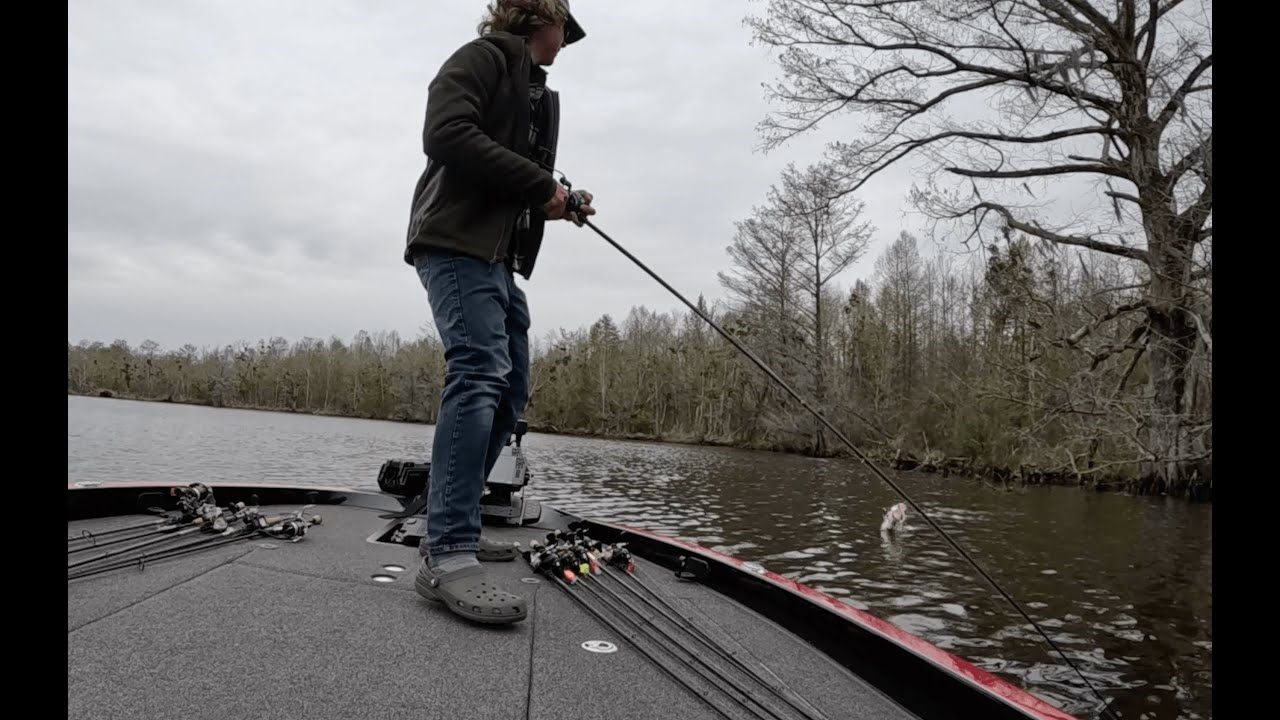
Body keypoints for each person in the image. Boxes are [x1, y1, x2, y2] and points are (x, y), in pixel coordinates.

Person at [403, 0, 594, 625]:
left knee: (510, 392)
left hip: (498, 261)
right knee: (480, 371)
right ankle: (448, 550)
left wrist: (559, 200)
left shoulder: (537, 95)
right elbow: (447, 135)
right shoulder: (482, 58)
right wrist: (540, 185)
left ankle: (450, 520)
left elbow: (517, 180)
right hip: (456, 245)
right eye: (563, 30)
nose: (565, 43)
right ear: (539, 20)